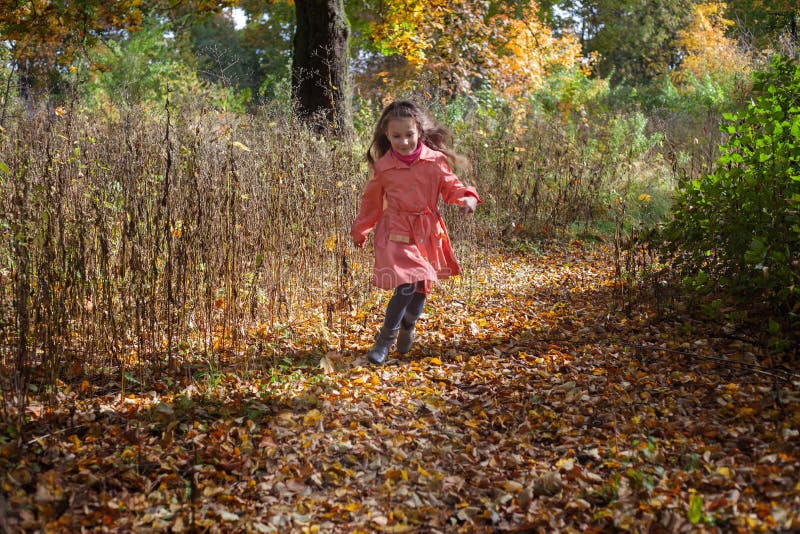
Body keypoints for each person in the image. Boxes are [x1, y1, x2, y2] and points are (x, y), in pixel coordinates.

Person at [351, 100, 480, 365]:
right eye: (396, 136)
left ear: (419, 132)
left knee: (421, 288)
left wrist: (466, 198)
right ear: (386, 135)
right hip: (396, 231)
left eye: (408, 134)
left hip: (426, 232)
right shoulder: (384, 168)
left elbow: (451, 186)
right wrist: (361, 230)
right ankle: (385, 340)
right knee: (408, 282)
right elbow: (371, 203)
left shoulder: (434, 161)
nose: (404, 141)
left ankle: (409, 325)